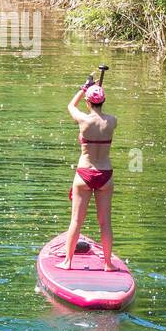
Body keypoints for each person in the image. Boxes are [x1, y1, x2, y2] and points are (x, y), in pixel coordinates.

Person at [59, 80, 117, 272]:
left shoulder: (83, 120)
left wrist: (83, 88)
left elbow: (70, 106)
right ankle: (108, 264)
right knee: (105, 222)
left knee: (76, 220)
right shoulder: (112, 121)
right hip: (105, 174)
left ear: (88, 102)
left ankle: (67, 262)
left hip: (84, 172)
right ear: (103, 100)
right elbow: (100, 116)